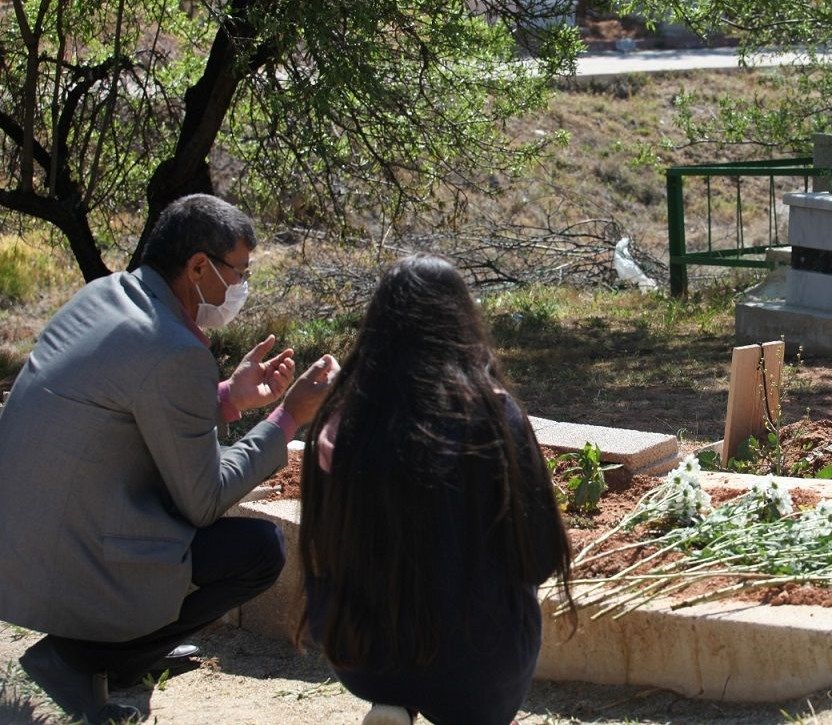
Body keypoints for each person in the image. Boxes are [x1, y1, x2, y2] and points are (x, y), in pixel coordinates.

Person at [0, 194, 339, 724]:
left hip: (24, 548)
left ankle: (112, 650)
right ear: (198, 266)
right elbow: (204, 499)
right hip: (75, 561)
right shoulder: (174, 349)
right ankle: (82, 658)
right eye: (239, 272)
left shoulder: (106, 296)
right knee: (258, 549)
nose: (242, 288)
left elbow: (131, 411)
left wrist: (230, 398)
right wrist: (289, 417)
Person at [297, 254, 574, 725]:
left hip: (362, 657)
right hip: (477, 669)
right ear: (462, 323)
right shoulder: (494, 417)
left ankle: (394, 702)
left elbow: (321, 555)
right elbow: (542, 557)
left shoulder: (338, 422)